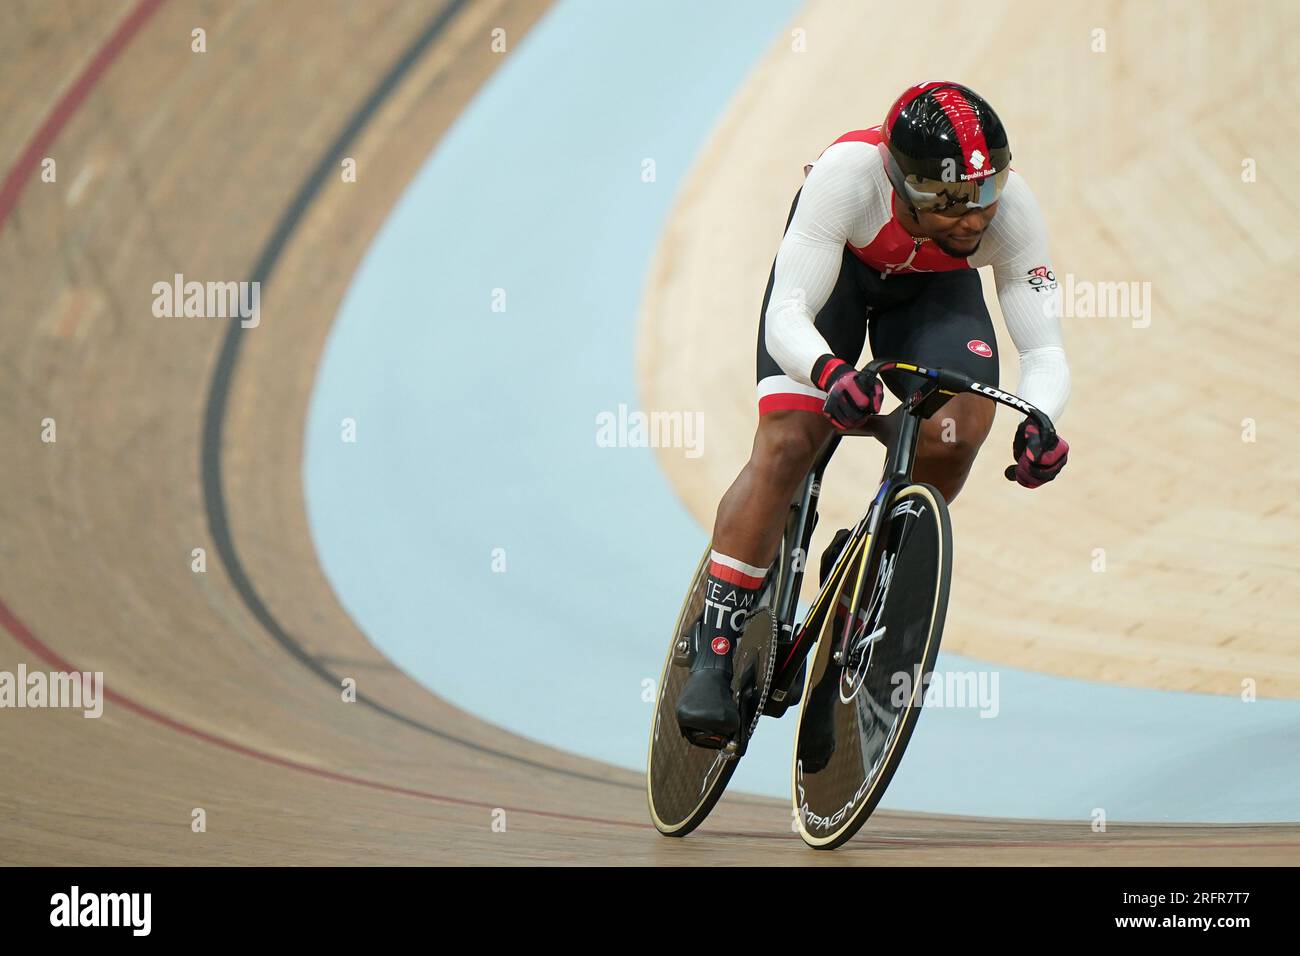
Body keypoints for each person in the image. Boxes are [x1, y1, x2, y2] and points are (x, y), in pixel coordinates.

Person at [676, 82, 1071, 741]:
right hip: (838, 288)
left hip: (929, 296)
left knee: (960, 427)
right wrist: (830, 372)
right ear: (901, 180)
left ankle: (864, 568)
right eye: (949, 201)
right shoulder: (847, 177)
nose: (973, 217)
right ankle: (714, 649)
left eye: (985, 191)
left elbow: (1045, 347)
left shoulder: (1010, 210)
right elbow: (787, 312)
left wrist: (1041, 419)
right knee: (788, 443)